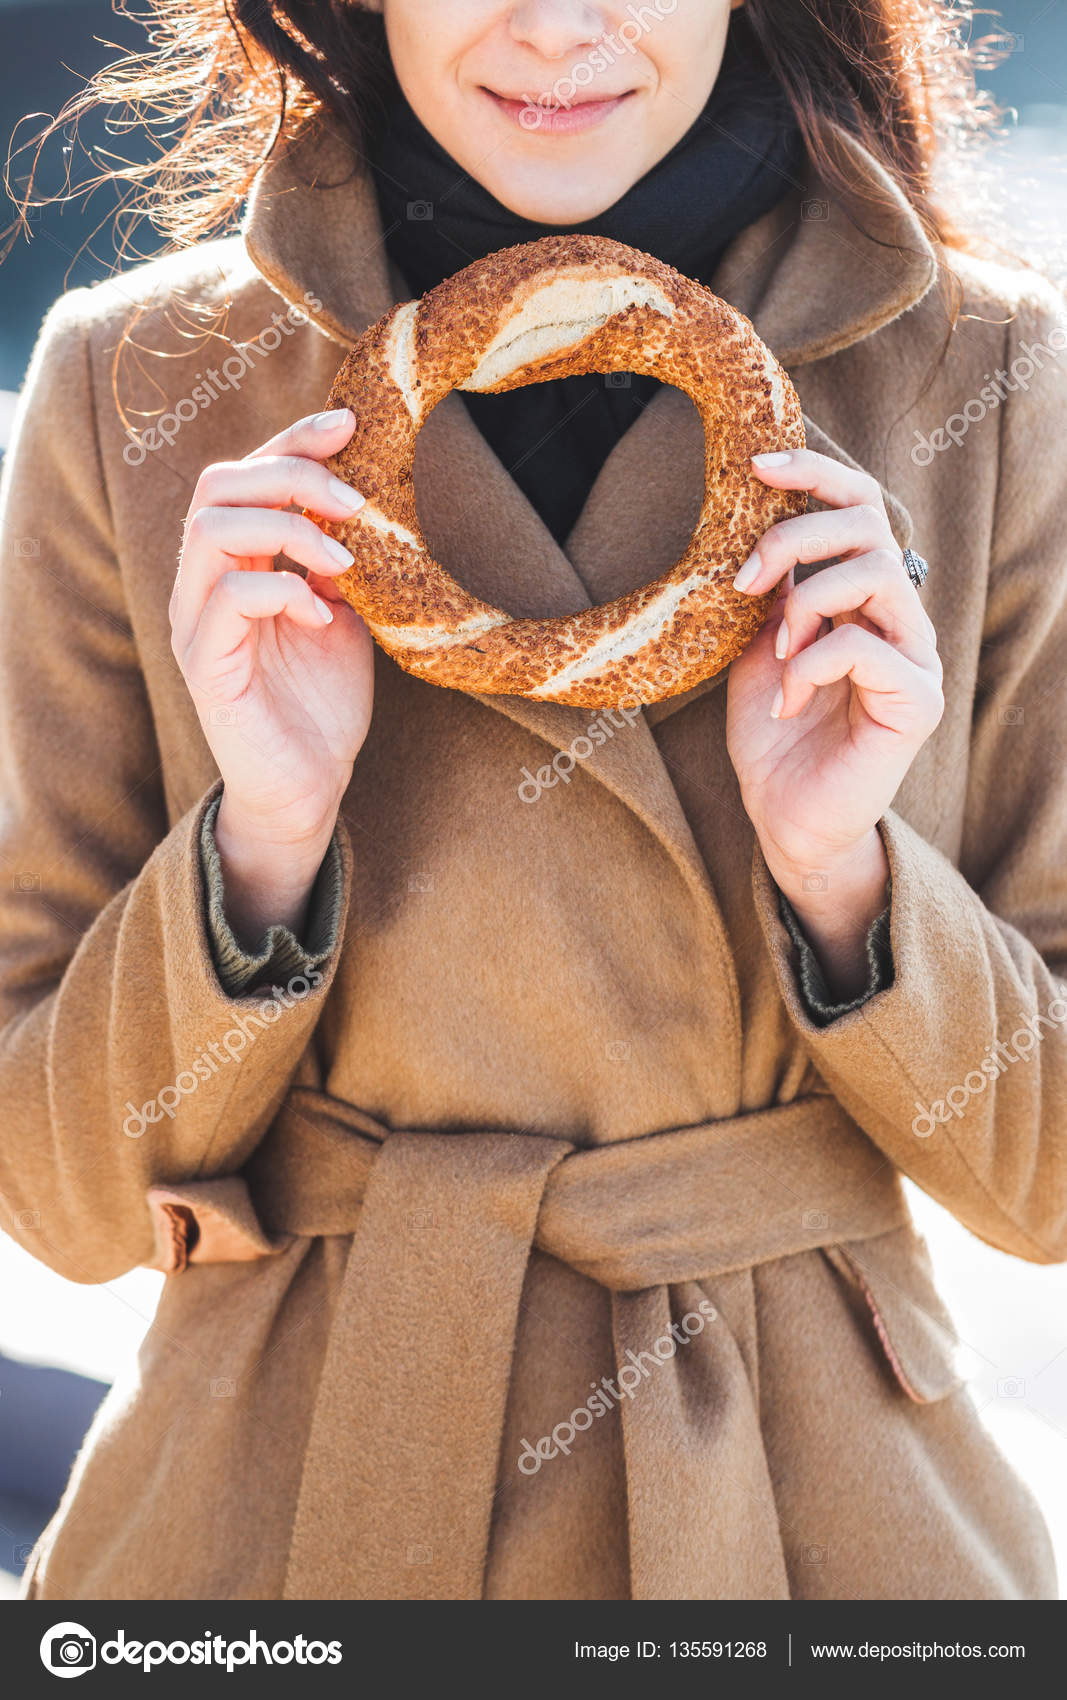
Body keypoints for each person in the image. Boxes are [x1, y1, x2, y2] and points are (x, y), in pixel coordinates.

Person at [1, 0, 1064, 1601]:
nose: (558, 26)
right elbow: (59, 1204)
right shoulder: (142, 387)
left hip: (814, 1519)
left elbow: (1049, 1191)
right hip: (279, 1512)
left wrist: (847, 875)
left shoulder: (994, 380)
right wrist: (262, 843)